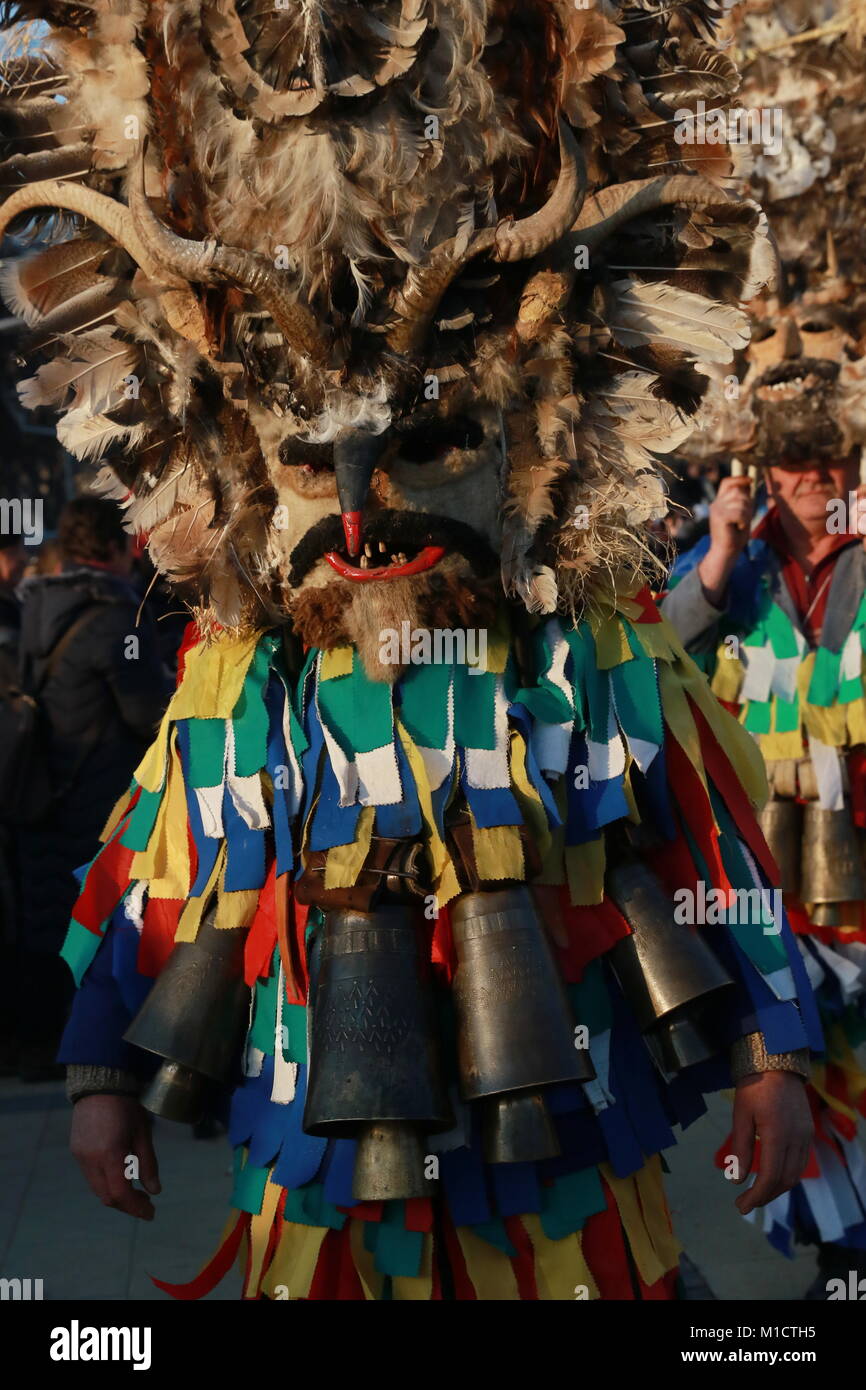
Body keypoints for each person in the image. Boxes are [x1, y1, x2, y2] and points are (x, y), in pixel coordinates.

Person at [1, 2, 819, 1301]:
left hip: (569, 1181)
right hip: (315, 1194)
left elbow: (704, 848)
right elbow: (152, 883)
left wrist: (772, 1056)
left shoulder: (585, 652)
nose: (366, 487)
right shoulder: (243, 674)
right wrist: (103, 1083)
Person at [663, 310, 866, 1296]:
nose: (810, 482)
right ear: (760, 473)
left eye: (826, 463)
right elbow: (657, 645)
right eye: (790, 464)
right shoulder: (731, 573)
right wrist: (715, 548)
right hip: (775, 901)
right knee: (805, 1083)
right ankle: (839, 1262)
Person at [12, 498, 170, 1081]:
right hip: (97, 803)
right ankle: (94, 1055)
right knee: (98, 927)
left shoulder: (37, 608)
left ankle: (40, 1046)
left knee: (48, 922)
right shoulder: (110, 617)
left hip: (41, 792)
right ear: (116, 547)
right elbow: (146, 714)